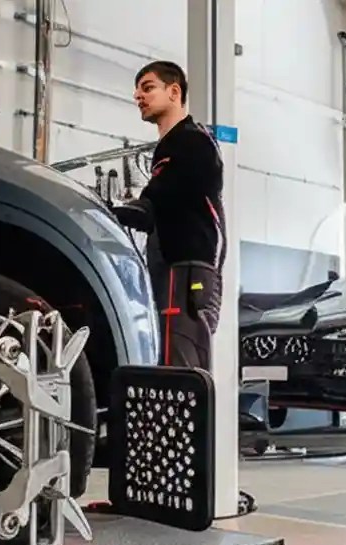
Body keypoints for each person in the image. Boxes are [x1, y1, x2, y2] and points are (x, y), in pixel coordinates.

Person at [111, 61, 226, 372]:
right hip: (174, 264)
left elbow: (155, 203)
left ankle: (189, 421)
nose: (138, 96)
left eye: (147, 88)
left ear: (174, 91)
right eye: (137, 91)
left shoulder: (190, 141)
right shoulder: (172, 145)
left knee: (182, 362)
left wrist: (112, 209)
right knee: (171, 359)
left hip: (186, 266)